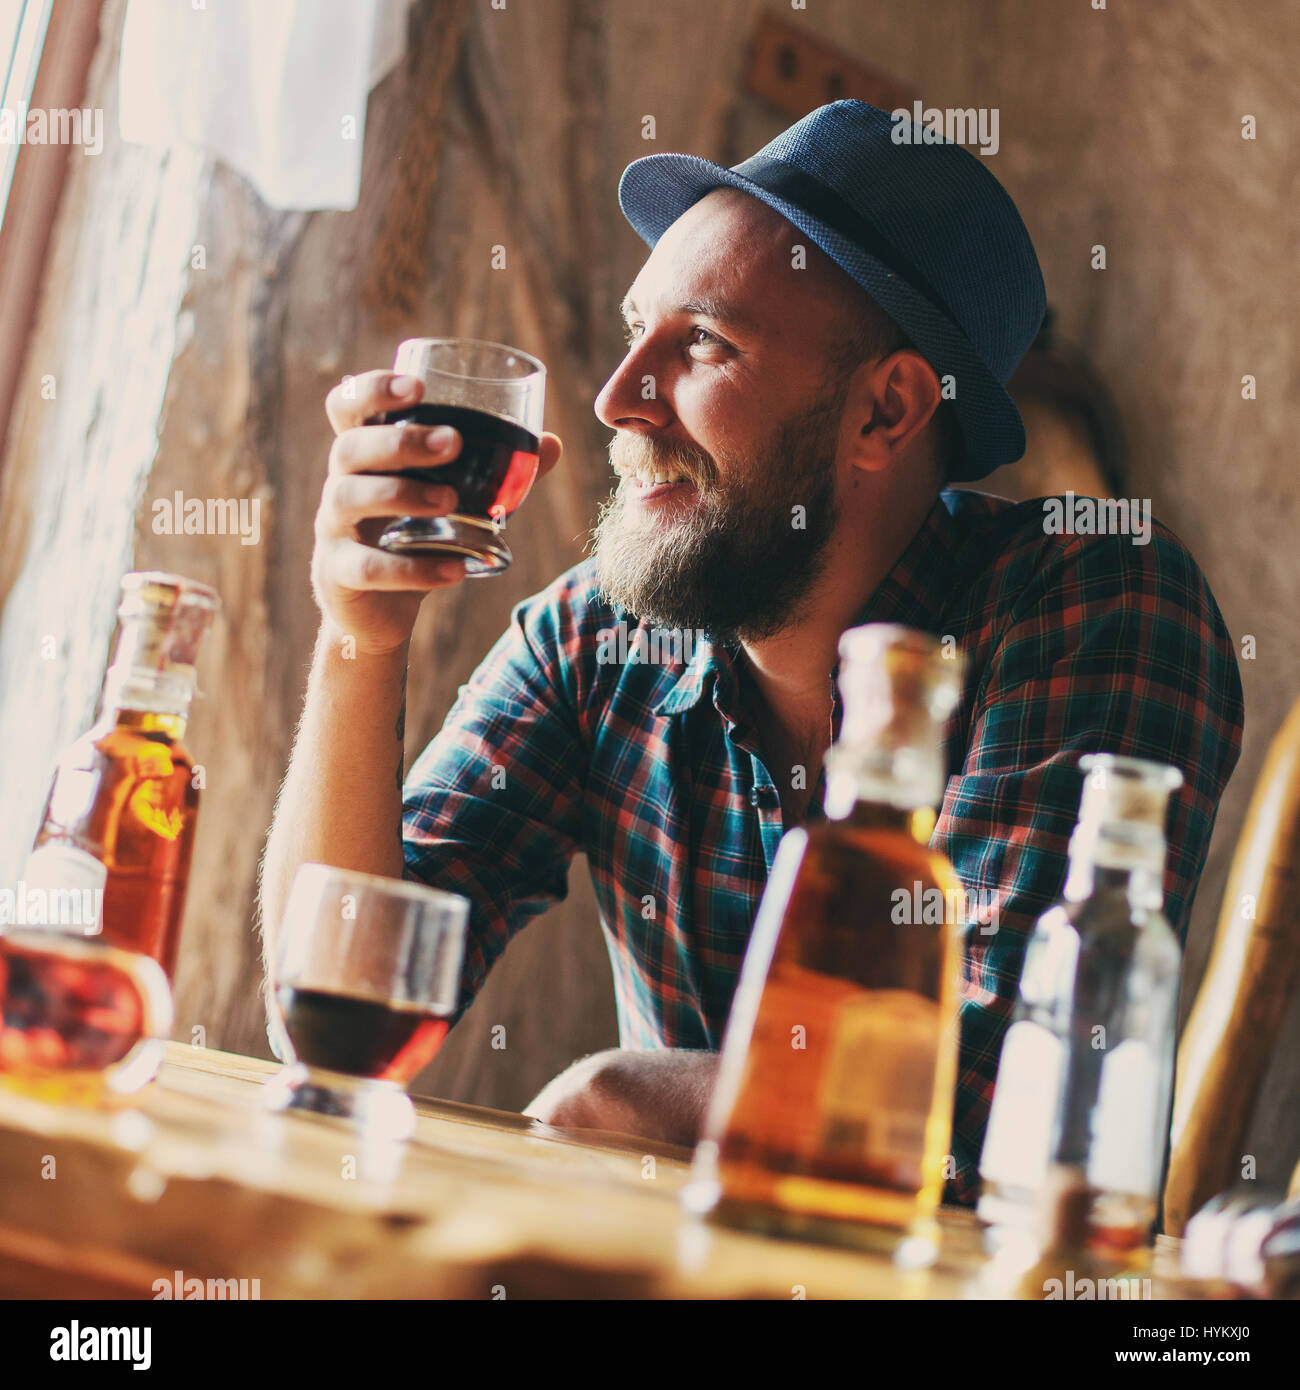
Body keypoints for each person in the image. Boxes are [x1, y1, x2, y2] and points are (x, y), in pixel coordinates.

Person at [260, 101, 1243, 1203]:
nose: (616, 396)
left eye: (703, 344)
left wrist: (620, 1098)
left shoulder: (1094, 601)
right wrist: (359, 636)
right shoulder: (595, 636)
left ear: (885, 411)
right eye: (639, 327)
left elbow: (981, 1116)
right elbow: (342, 995)